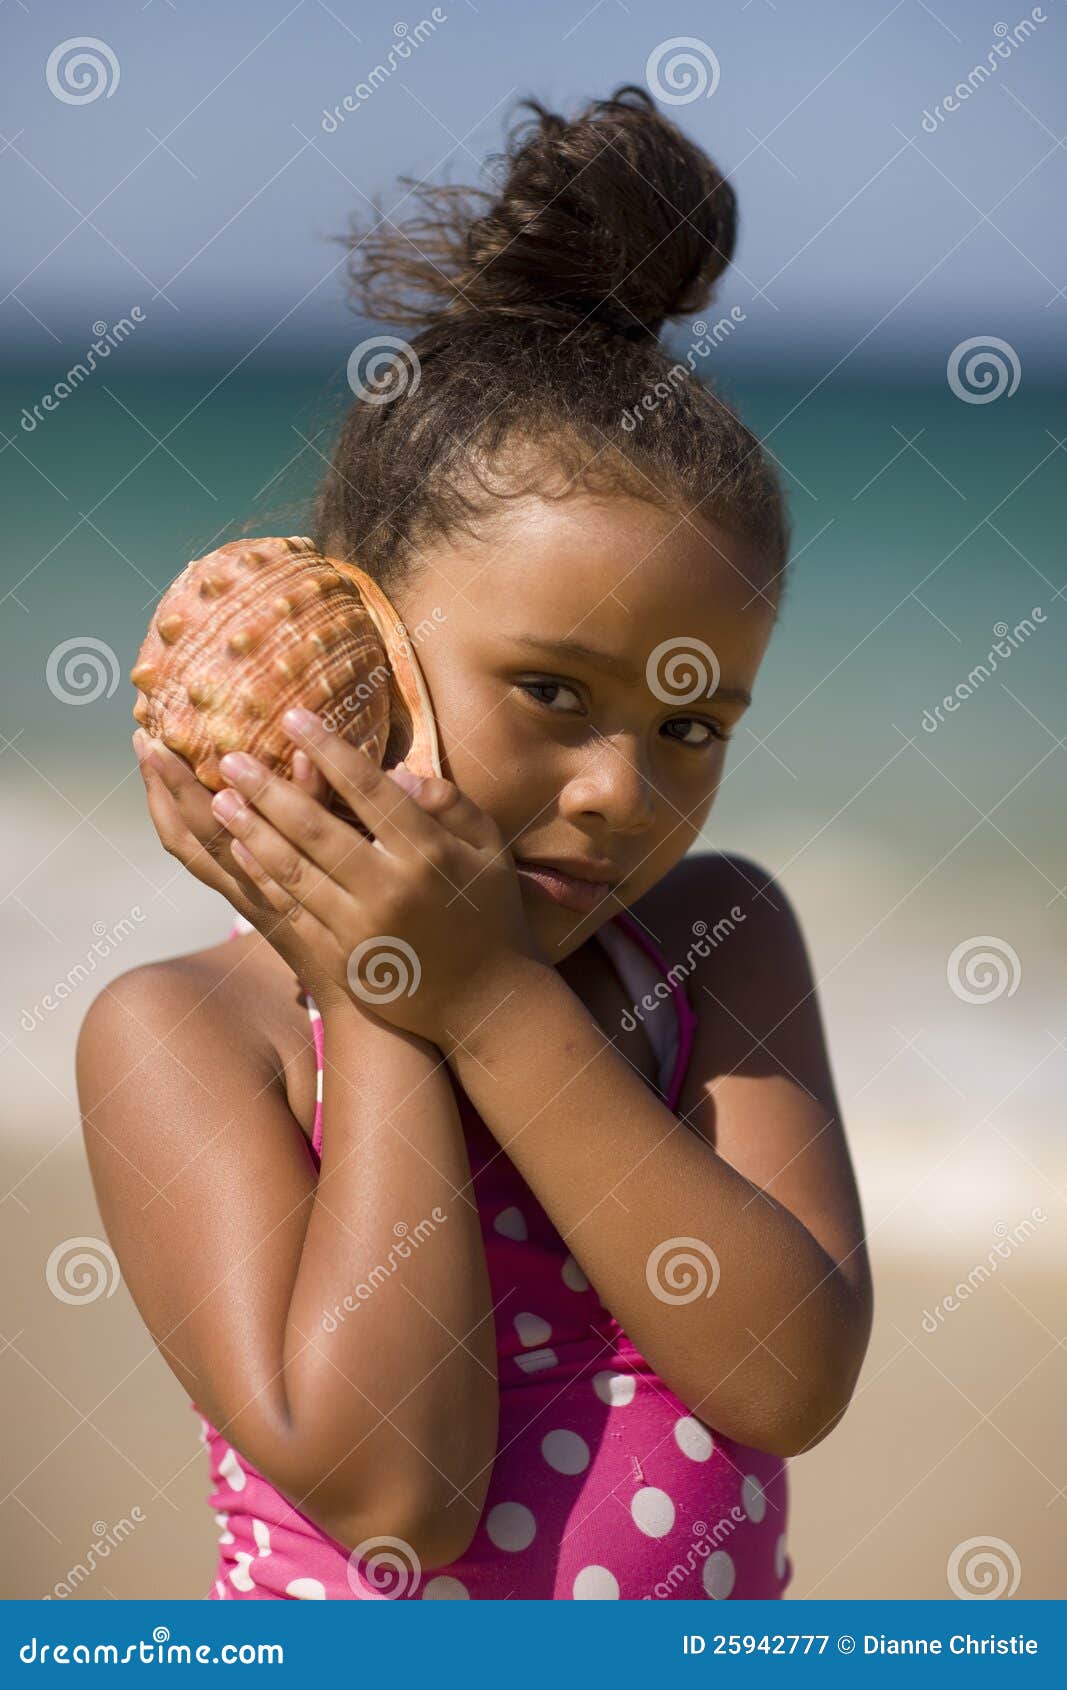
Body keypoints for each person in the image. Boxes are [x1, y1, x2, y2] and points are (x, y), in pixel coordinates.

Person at [76, 85, 872, 1601]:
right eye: (553, 691)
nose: (624, 789)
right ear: (360, 630)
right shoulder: (187, 1036)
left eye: (694, 724)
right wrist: (383, 987)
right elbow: (398, 1485)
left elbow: (788, 1376)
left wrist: (495, 999)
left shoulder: (711, 949)